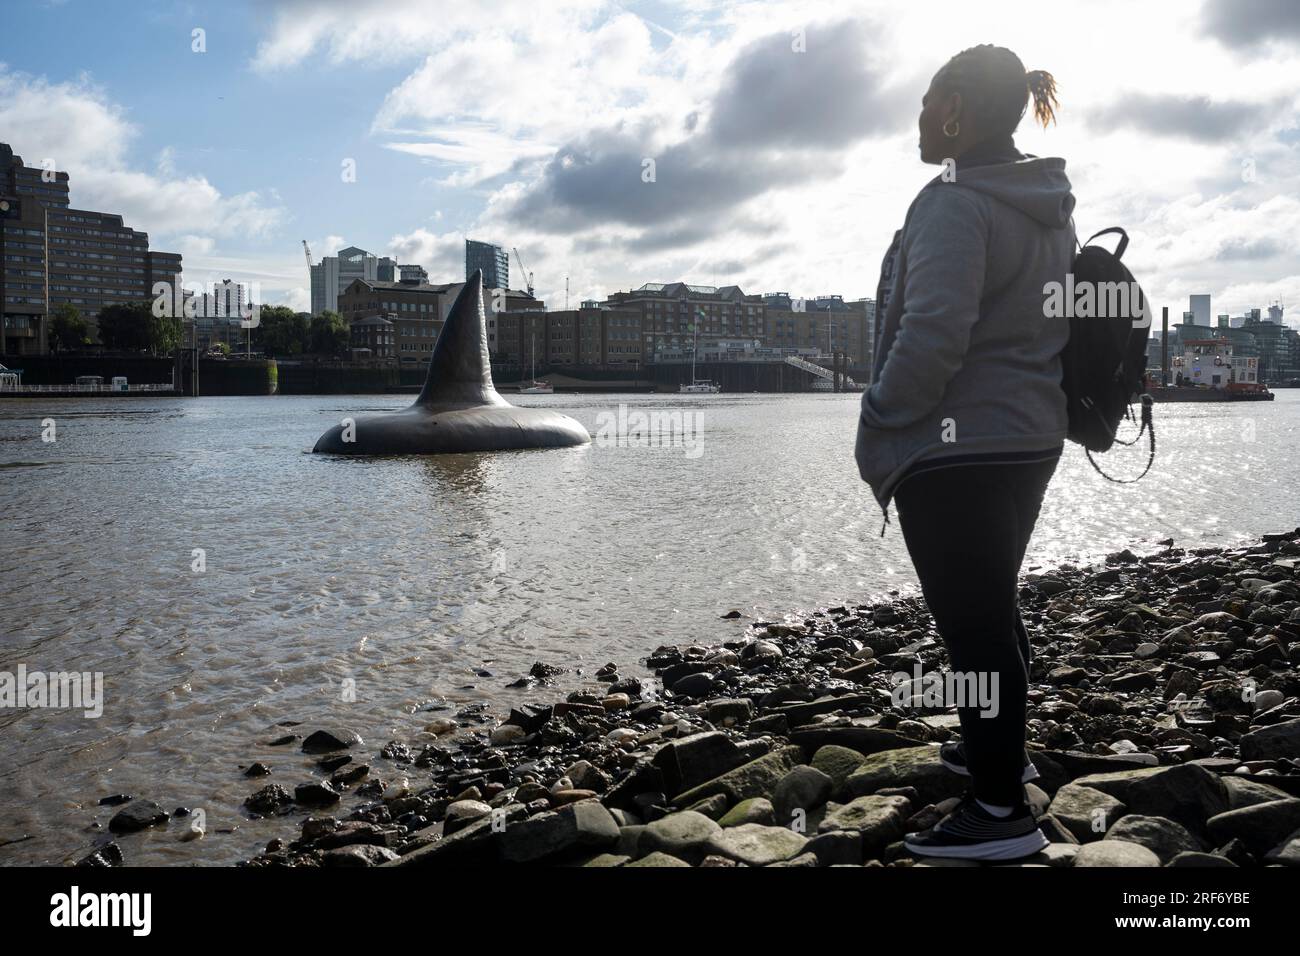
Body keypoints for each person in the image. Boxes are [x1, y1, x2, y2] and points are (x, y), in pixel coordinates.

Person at [854, 44, 1075, 861]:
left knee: (972, 626)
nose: (915, 118)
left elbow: (932, 335)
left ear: (954, 109)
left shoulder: (952, 201)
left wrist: (881, 413)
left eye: (923, 103)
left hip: (957, 449)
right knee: (994, 608)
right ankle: (1001, 757)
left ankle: (997, 813)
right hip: (1027, 439)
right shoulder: (1042, 199)